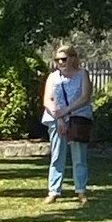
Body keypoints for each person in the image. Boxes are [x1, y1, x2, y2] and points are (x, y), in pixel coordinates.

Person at [42, 44, 93, 206]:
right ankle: (53, 191)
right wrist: (59, 117)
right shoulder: (53, 77)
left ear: (72, 58)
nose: (60, 63)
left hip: (77, 118)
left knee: (79, 156)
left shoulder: (82, 74)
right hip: (57, 120)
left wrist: (66, 112)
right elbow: (47, 100)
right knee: (57, 156)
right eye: (57, 60)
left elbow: (85, 97)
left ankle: (81, 190)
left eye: (63, 59)